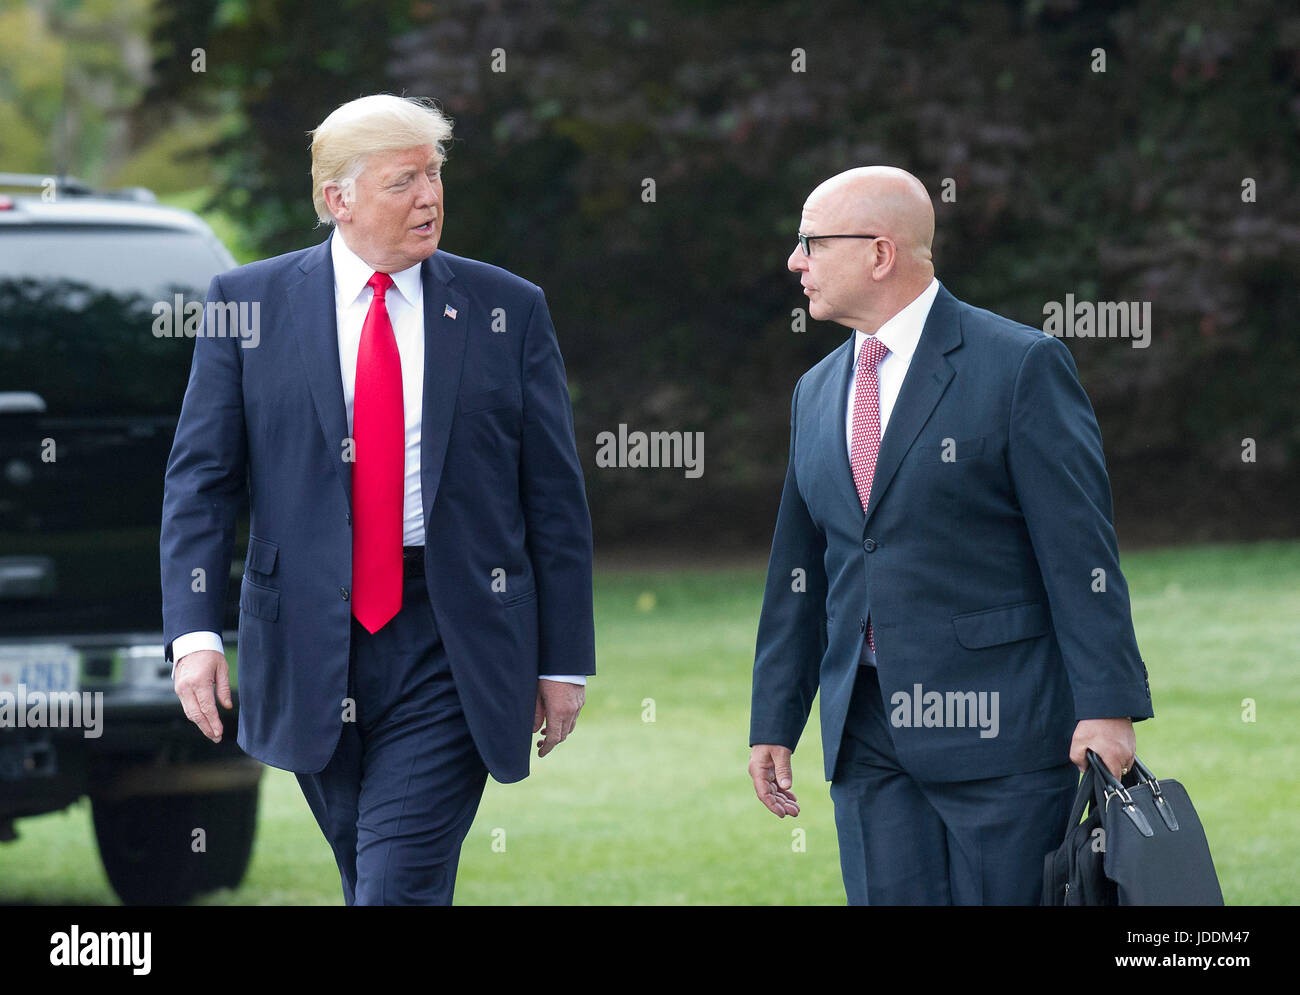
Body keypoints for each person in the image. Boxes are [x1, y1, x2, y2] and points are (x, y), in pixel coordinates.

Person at [161, 94, 595, 905]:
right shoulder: (247, 303)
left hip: (453, 632)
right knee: (370, 868)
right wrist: (194, 633)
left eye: (434, 174)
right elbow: (201, 482)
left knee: (394, 880)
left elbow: (554, 498)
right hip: (309, 639)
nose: (429, 196)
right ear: (340, 199)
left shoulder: (507, 308)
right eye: (403, 181)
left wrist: (563, 658)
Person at [747, 166, 1153, 905]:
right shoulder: (815, 390)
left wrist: (1108, 707)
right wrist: (774, 719)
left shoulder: (1020, 365)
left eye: (811, 242)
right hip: (866, 738)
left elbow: (1081, 555)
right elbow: (799, 574)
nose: (795, 261)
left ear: (879, 253)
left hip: (1004, 736)